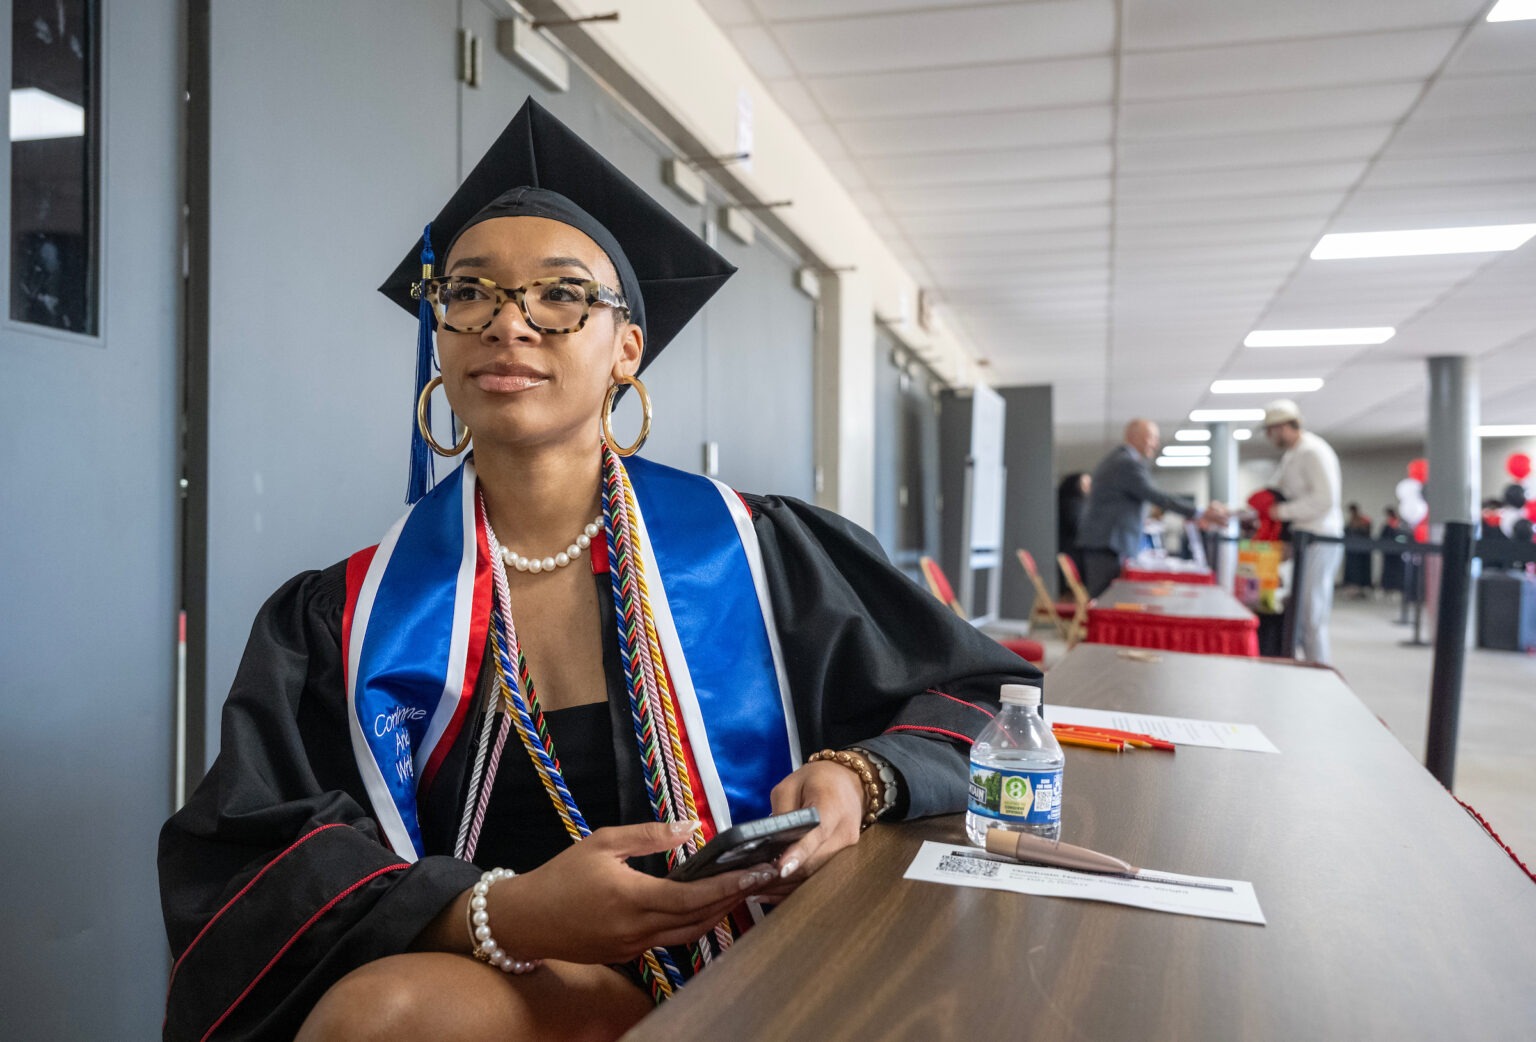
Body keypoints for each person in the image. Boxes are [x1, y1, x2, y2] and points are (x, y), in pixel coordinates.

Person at [157, 99, 1039, 1042]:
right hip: (515, 996)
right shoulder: (344, 619)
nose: (509, 323)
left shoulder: (759, 552)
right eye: (469, 292)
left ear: (627, 348)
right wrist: (501, 915)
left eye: (562, 294)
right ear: (438, 334)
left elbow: (986, 699)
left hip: (770, 976)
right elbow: (254, 863)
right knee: (385, 1021)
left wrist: (857, 778)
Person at [1077, 419, 1211, 598]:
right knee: (1106, 600)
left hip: (1107, 543)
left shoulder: (1120, 460)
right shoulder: (1125, 462)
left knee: (1110, 598)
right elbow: (1155, 495)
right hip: (1108, 545)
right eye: (1152, 437)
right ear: (1133, 436)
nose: (1155, 444)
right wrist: (1197, 512)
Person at [1262, 399, 1343, 665]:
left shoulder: (1314, 451)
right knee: (1298, 609)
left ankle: (1319, 669)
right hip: (1301, 539)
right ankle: (1304, 665)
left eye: (1271, 430)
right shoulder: (1292, 455)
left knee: (1312, 612)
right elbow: (1276, 491)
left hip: (1319, 538)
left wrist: (1281, 512)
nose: (1269, 436)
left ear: (1284, 426)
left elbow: (1325, 500)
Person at [1055, 472, 1090, 595]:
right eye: (1085, 484)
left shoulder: (1076, 502)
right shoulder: (1073, 503)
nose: (1089, 487)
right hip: (1072, 551)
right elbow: (1079, 527)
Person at [1342, 503, 1374, 598]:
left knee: (1361, 571)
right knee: (1352, 571)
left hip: (1361, 553)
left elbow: (1366, 533)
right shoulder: (1350, 521)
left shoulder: (1364, 520)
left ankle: (1362, 589)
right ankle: (1352, 589)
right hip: (1352, 552)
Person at [1378, 506, 1406, 594]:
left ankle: (1396, 587)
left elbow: (1403, 538)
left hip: (1397, 553)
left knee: (1397, 570)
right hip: (1388, 553)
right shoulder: (1387, 526)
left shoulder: (1400, 525)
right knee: (1387, 570)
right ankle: (1387, 587)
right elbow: (1382, 537)